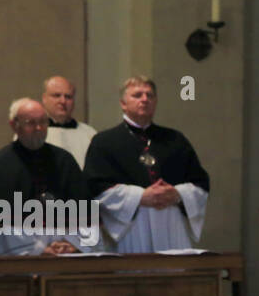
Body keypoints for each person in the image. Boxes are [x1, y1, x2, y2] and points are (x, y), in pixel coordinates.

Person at [83, 76, 208, 252]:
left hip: (170, 223)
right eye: (137, 95)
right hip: (131, 225)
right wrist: (139, 197)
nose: (144, 99)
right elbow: (95, 187)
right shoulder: (104, 142)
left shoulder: (175, 140)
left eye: (150, 95)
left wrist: (177, 193)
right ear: (123, 103)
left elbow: (200, 183)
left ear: (155, 102)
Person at [0, 98, 92, 255]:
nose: (39, 128)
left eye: (43, 122)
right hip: (20, 253)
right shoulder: (1, 164)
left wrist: (70, 243)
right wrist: (38, 249)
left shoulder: (64, 160)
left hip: (64, 248)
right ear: (14, 125)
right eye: (31, 122)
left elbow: (83, 207)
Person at [40, 75, 98, 168]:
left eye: (68, 97)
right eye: (56, 95)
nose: (63, 101)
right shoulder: (33, 132)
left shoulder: (89, 133)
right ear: (44, 98)